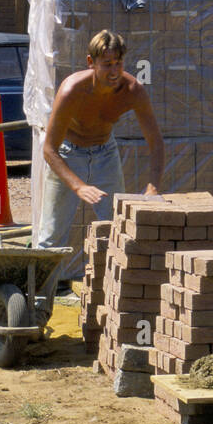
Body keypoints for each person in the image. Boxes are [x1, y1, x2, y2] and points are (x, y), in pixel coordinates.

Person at [36, 30, 165, 293]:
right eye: (107, 64)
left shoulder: (133, 91)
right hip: (69, 154)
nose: (114, 71)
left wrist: (153, 186)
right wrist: (78, 186)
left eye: (118, 63)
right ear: (90, 62)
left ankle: (117, 305)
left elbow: (156, 142)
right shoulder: (72, 90)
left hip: (106, 153)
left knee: (118, 229)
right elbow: (49, 150)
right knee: (51, 239)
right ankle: (37, 309)